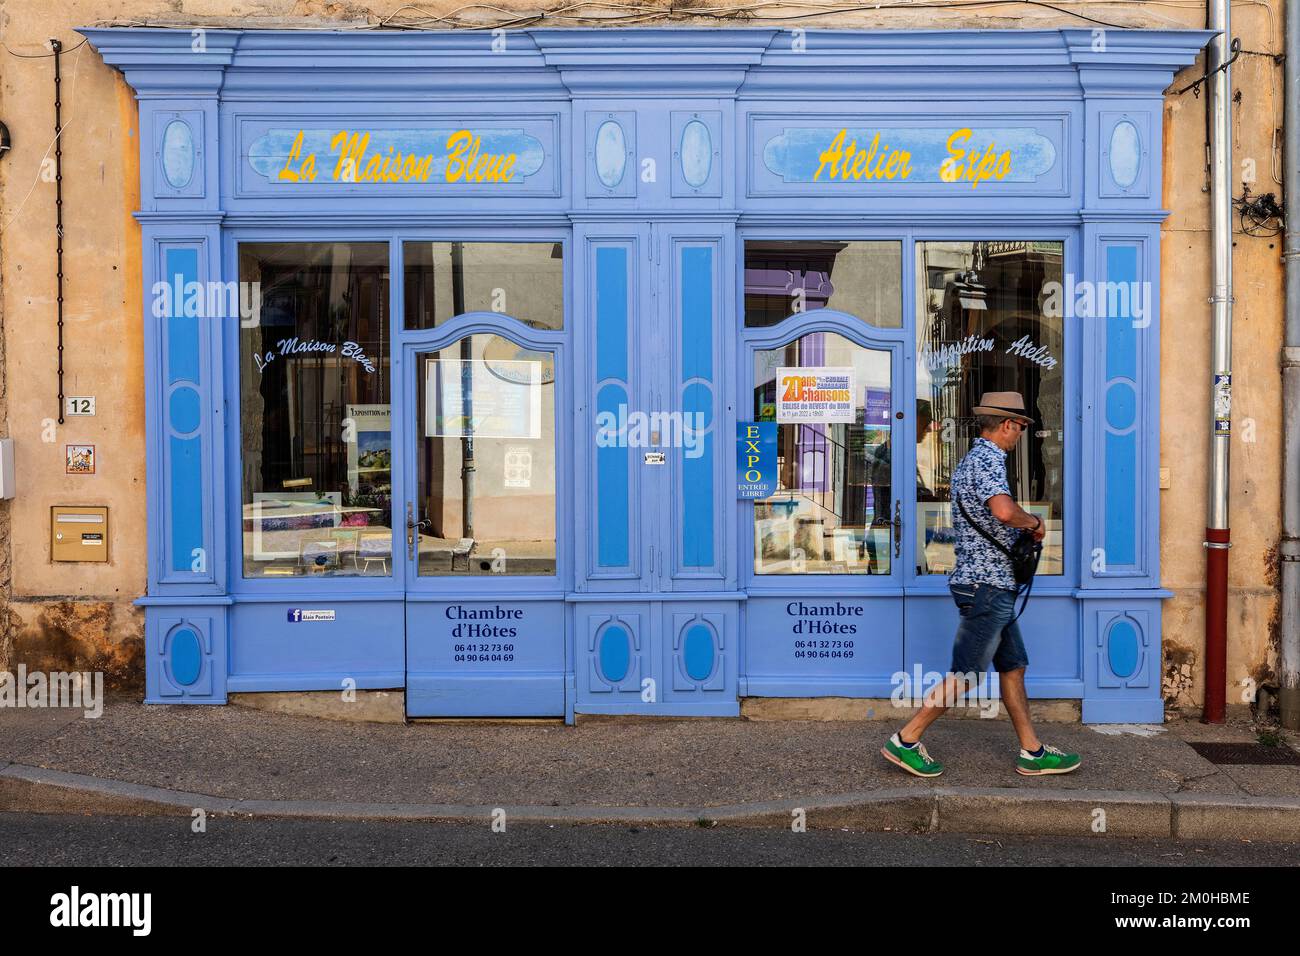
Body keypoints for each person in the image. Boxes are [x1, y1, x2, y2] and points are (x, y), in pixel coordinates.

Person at [880, 391, 1081, 778]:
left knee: (1013, 667)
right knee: (967, 674)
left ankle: (1032, 752)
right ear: (1007, 424)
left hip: (991, 584)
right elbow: (1004, 511)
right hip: (987, 586)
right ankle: (905, 740)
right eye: (1021, 427)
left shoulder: (971, 460)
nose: (1021, 434)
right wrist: (1035, 524)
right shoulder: (988, 460)